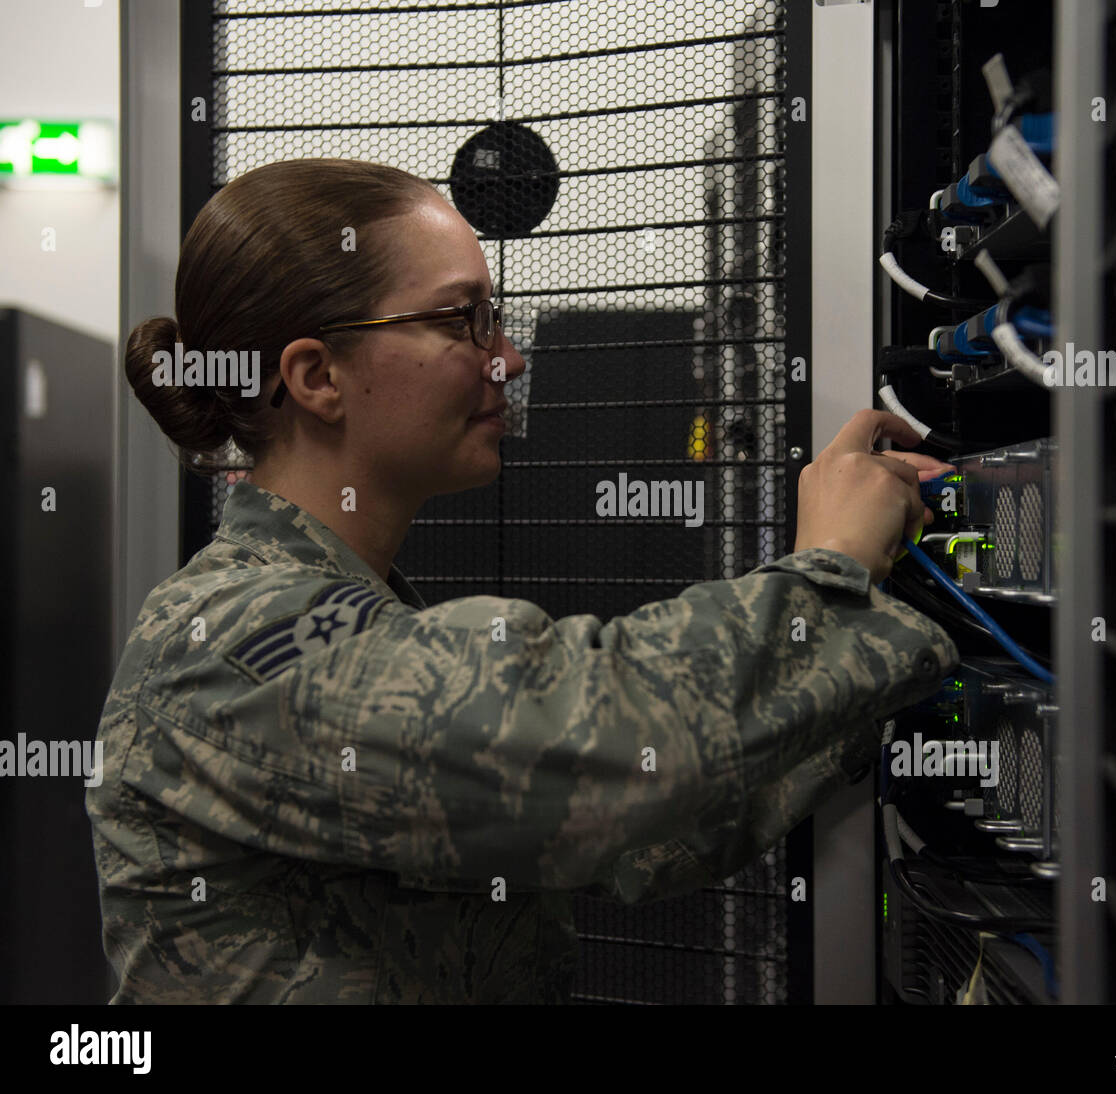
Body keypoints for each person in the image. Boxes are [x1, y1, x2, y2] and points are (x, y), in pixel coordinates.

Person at [88, 158, 958, 1004]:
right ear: (318, 378)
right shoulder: (232, 640)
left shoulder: (360, 613)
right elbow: (593, 751)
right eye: (461, 320)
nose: (507, 356)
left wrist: (879, 626)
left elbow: (638, 835)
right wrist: (829, 573)